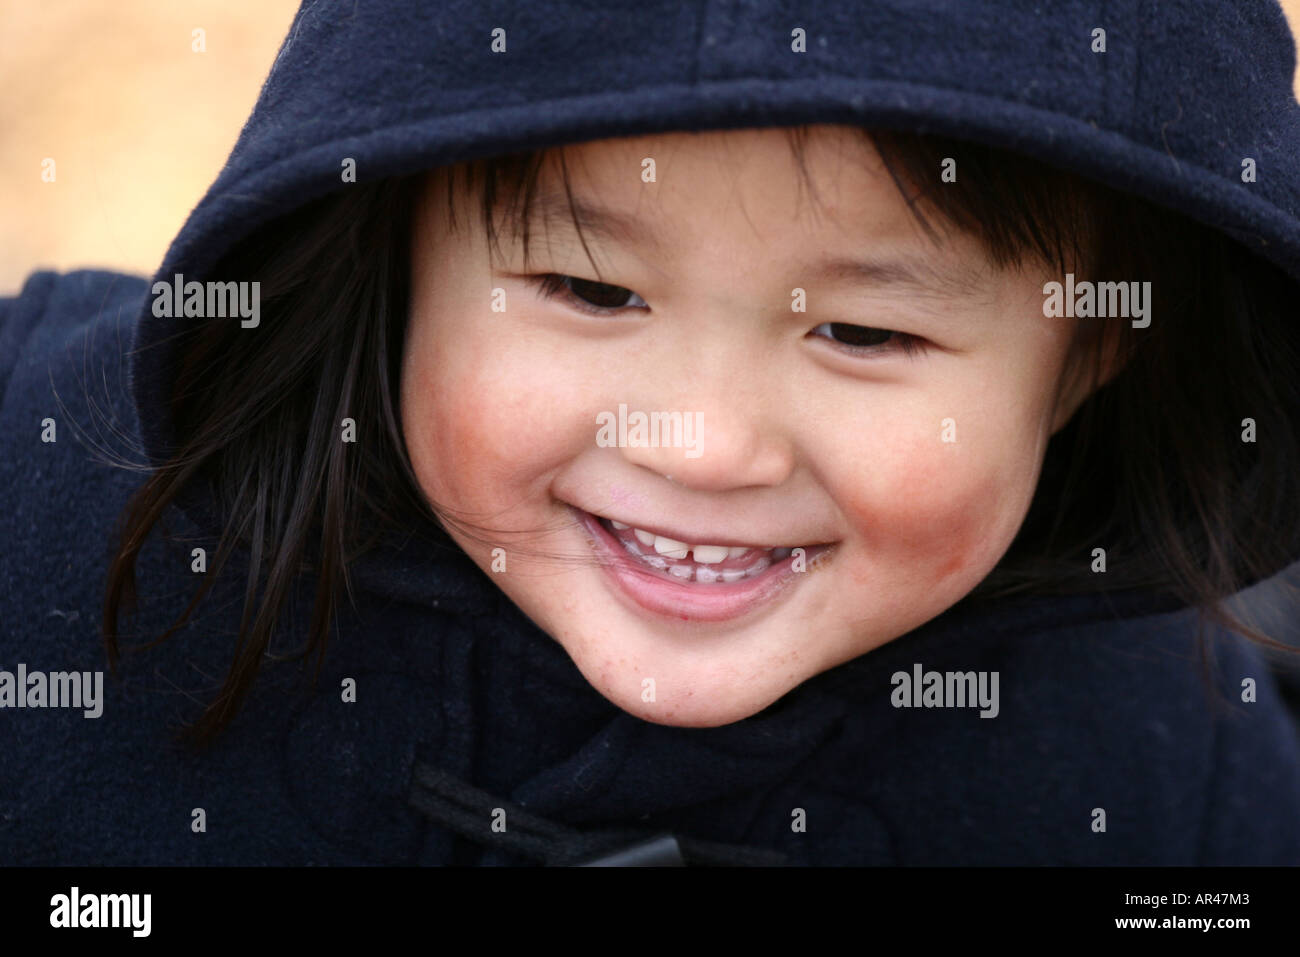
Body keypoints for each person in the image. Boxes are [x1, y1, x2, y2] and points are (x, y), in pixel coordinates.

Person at [3, 0, 1300, 865]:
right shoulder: (44, 496)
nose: (702, 444)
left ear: (1086, 359)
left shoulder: (1176, 781)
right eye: (591, 291)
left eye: (864, 334)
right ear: (390, 246)